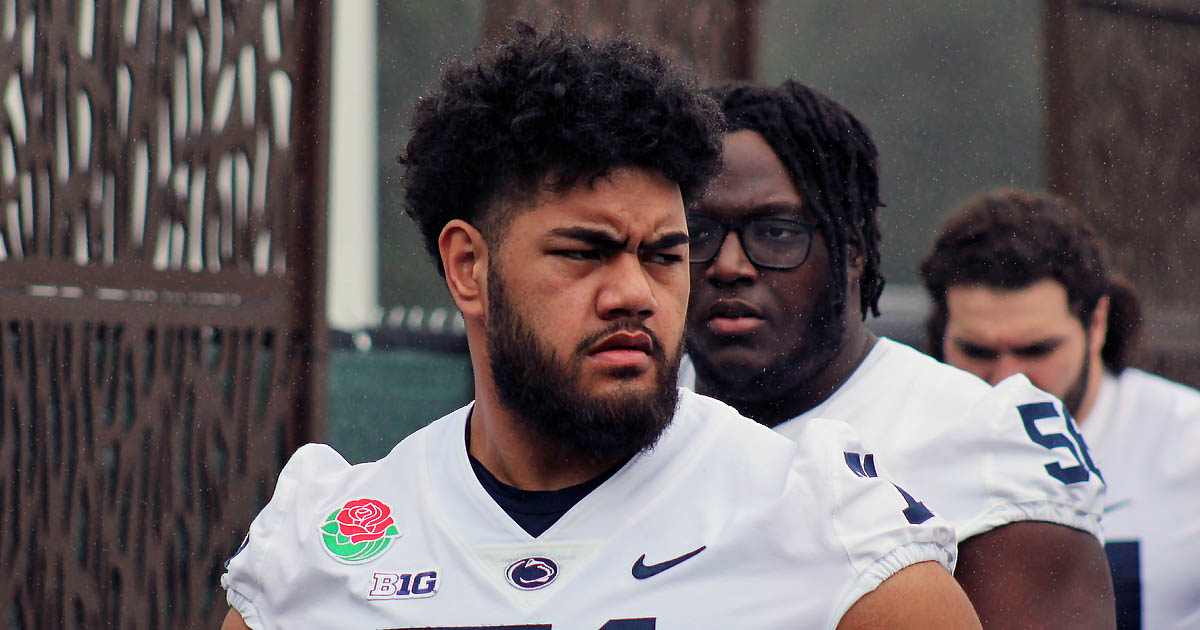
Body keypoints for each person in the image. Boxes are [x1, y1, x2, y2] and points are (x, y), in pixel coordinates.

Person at [219, 26, 981, 629]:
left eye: (664, 254)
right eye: (585, 252)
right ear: (467, 267)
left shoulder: (824, 526)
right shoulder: (324, 546)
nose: (634, 294)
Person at [682, 80, 1115, 629]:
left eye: (776, 232)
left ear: (853, 249)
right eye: (696, 232)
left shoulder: (984, 437)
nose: (729, 265)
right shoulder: (633, 414)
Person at [920, 187, 1200, 630]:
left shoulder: (1190, 446)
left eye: (1036, 349)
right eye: (977, 351)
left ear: (1096, 324)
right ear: (940, 335)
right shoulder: (889, 451)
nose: (1009, 380)